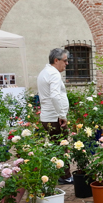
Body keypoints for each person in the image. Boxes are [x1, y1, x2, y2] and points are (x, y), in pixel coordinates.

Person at [37, 48, 73, 184]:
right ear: (56, 60)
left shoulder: (44, 72)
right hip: (55, 118)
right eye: (65, 60)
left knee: (55, 146)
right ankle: (65, 177)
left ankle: (56, 175)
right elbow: (54, 95)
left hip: (48, 117)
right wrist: (62, 115)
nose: (67, 63)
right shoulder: (54, 74)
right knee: (62, 147)